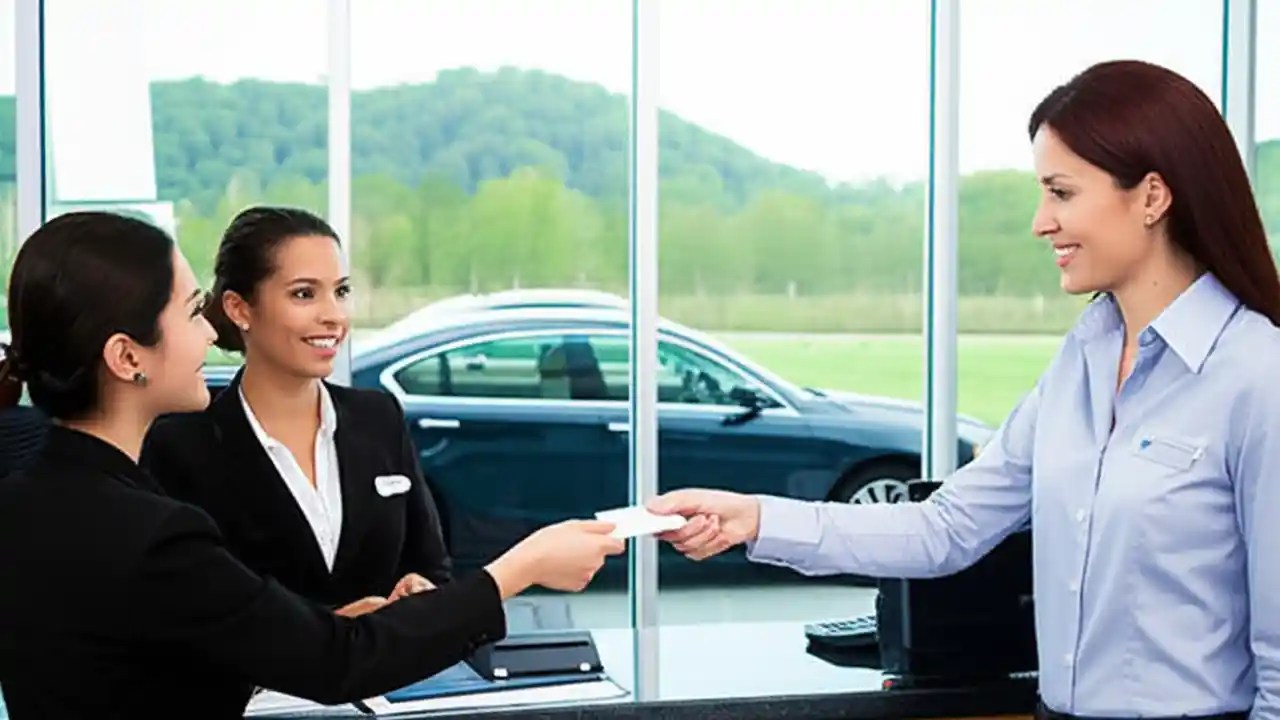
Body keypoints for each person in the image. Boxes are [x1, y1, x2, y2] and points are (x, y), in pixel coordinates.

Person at [648, 59, 1280, 720]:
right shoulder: (1079, 364)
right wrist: (753, 518)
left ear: (1152, 196)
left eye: (1062, 193)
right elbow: (944, 529)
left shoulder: (1257, 377)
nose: (1041, 222)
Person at [0, 211, 625, 719]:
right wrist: (523, 567)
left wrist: (307, 625)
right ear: (126, 356)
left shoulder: (33, 497)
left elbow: (154, 656)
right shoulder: (151, 532)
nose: (208, 333)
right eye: (193, 312)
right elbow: (338, 663)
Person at [142, 206, 444, 617]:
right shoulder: (179, 445)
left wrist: (419, 591)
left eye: (340, 291)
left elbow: (433, 569)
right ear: (239, 309)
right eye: (304, 293)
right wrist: (334, 634)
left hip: (388, 680)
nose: (333, 315)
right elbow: (184, 617)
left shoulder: (378, 417)